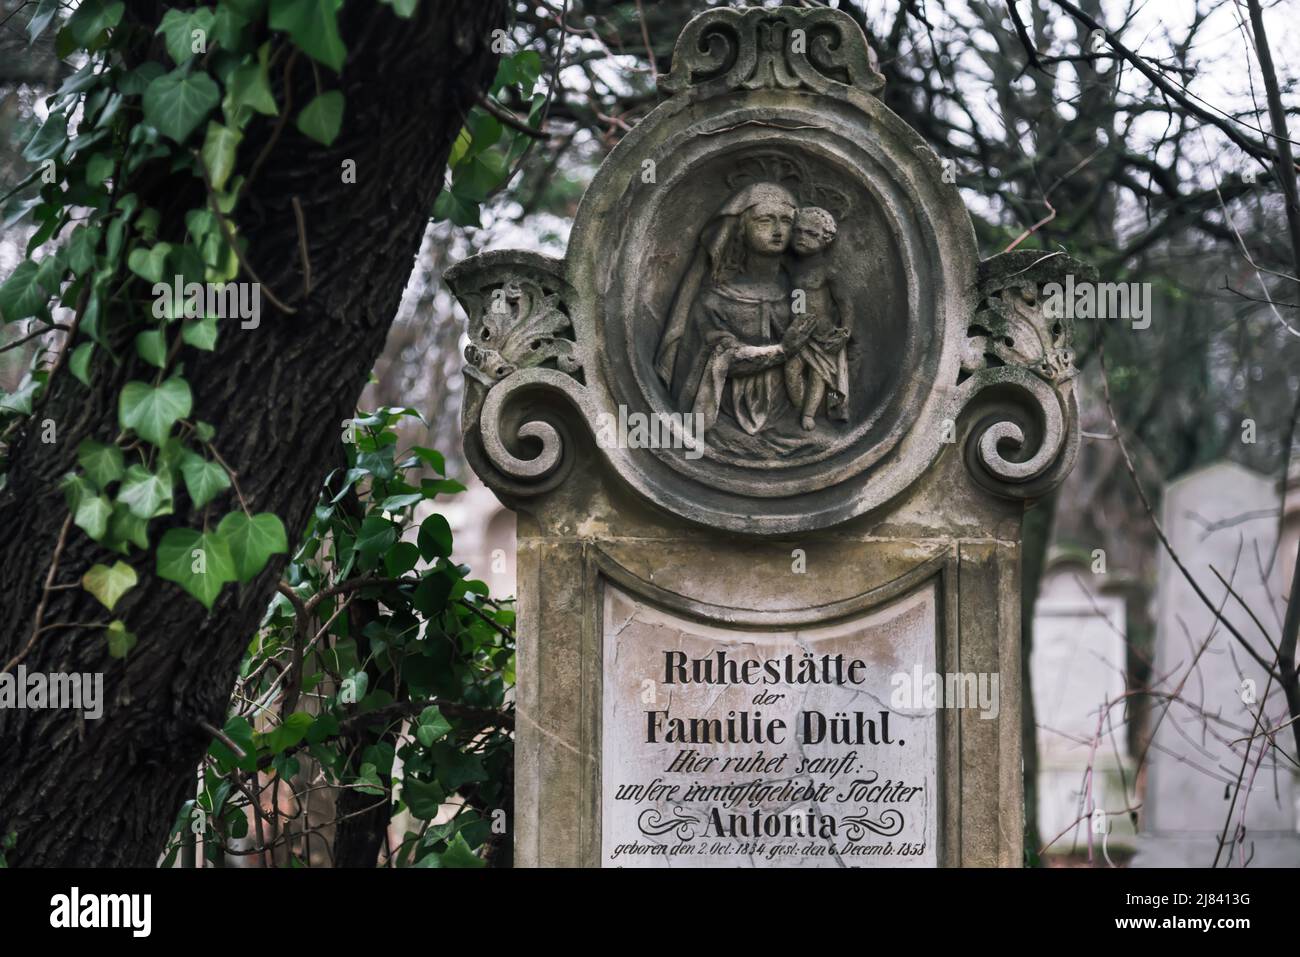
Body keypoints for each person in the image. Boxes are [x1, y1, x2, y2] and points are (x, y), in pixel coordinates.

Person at [784, 206, 850, 430]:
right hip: (798, 331)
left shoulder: (828, 270)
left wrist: (845, 332)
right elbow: (795, 298)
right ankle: (798, 408)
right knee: (791, 370)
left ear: (826, 239)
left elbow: (844, 304)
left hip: (823, 335)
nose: (802, 238)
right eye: (798, 231)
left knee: (818, 375)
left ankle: (809, 415)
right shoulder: (791, 266)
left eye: (811, 234)